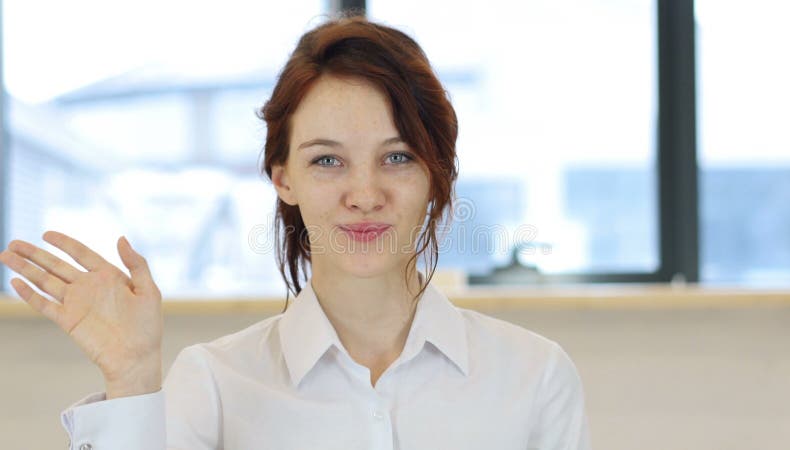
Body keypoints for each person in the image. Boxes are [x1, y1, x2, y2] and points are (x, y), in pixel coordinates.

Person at [0, 14, 592, 450]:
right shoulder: (214, 383)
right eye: (327, 160)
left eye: (397, 157)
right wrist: (131, 379)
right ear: (283, 178)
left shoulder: (535, 376)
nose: (365, 194)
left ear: (436, 174)